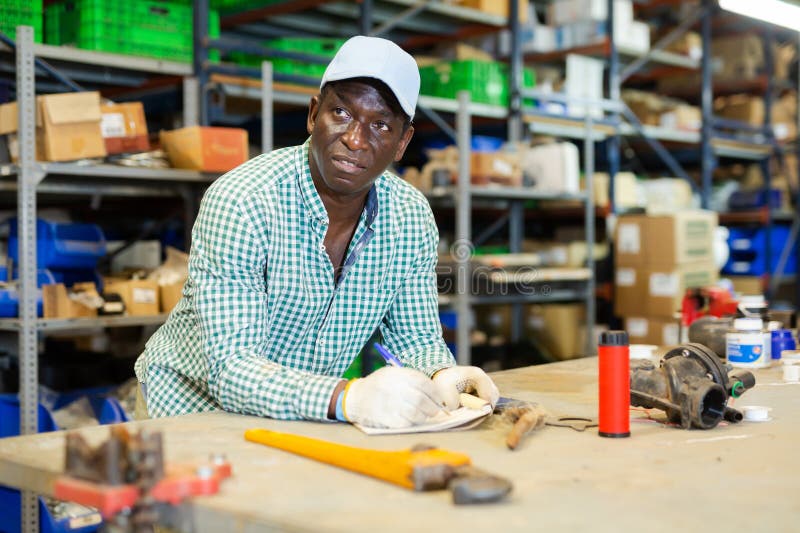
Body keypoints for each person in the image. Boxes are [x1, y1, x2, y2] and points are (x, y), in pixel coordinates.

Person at [134, 35, 499, 428]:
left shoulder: (409, 217)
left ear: (402, 142)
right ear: (313, 115)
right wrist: (350, 396)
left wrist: (443, 373)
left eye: (380, 125)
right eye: (341, 113)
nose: (356, 140)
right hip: (191, 415)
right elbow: (230, 368)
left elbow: (415, 338)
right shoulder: (243, 202)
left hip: (302, 416)